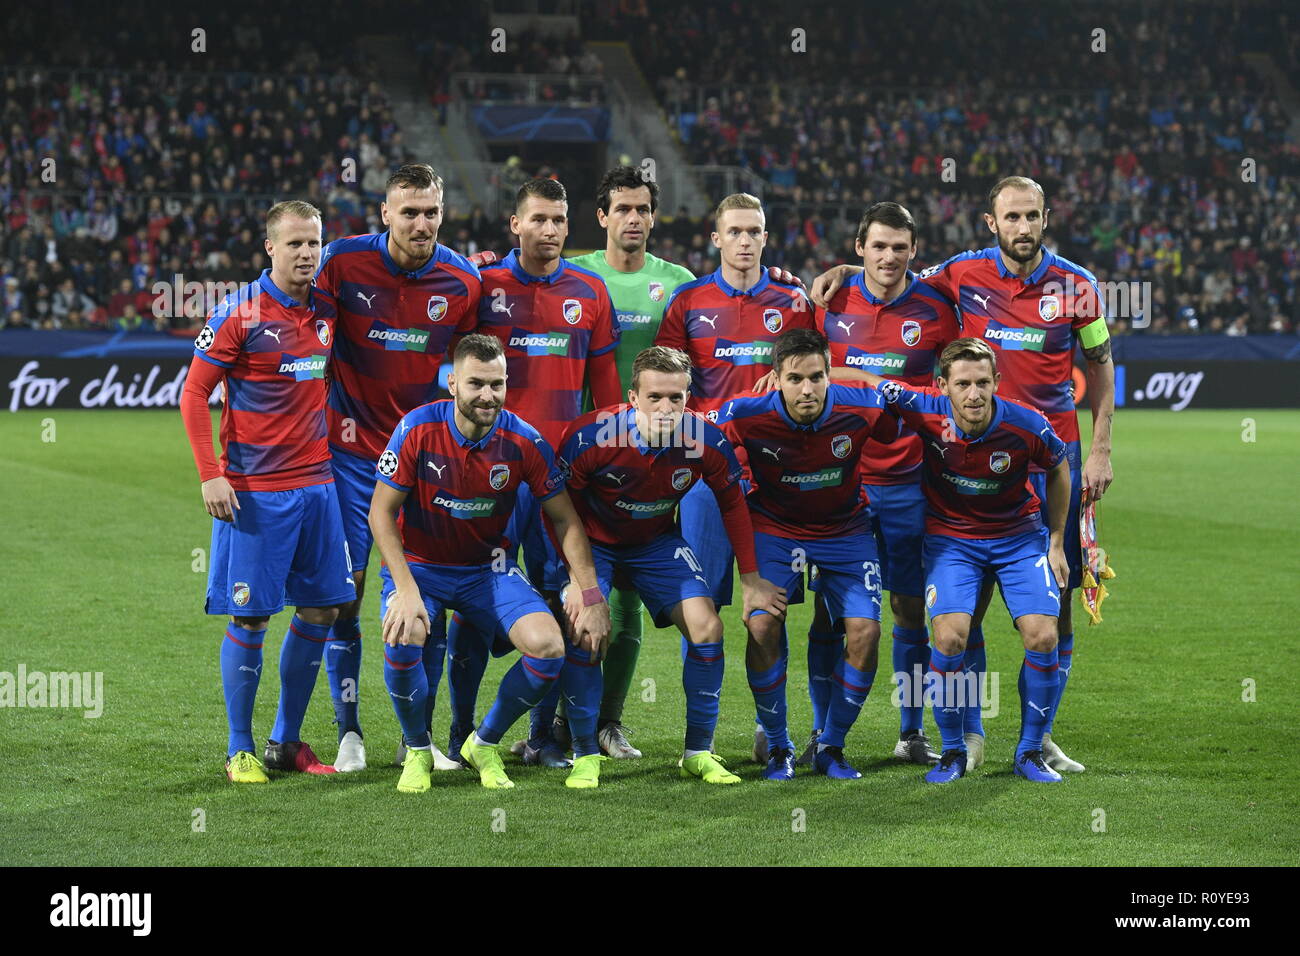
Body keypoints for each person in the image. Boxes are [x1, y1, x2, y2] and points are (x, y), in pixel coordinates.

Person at [811, 176, 1115, 773]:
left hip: (1052, 457)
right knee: (959, 611)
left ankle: (1041, 734)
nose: (1022, 227)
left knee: (1059, 607)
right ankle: (967, 732)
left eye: (1032, 216)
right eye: (1012, 217)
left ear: (1046, 219)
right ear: (990, 222)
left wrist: (1101, 448)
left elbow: (1102, 365)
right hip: (966, 454)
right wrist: (848, 272)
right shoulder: (961, 273)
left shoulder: (1079, 286)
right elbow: (892, 273)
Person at [369, 334, 611, 792]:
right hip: (422, 567)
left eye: (497, 384)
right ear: (452, 383)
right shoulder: (416, 429)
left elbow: (566, 520)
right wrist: (404, 588)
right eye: (476, 384)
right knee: (405, 635)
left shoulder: (523, 440)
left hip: (490, 569)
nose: (488, 395)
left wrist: (589, 589)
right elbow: (380, 512)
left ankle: (483, 741)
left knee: (549, 648)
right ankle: (419, 751)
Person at [180, 200, 355, 784]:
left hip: (318, 486)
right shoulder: (239, 313)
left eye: (315, 244)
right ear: (270, 249)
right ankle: (239, 749)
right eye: (296, 244)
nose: (307, 253)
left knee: (323, 607)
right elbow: (192, 394)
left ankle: (285, 741)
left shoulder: (326, 309)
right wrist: (211, 472)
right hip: (255, 492)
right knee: (251, 617)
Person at [314, 163, 481, 772]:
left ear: (444, 213)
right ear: (384, 213)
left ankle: (425, 738)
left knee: (427, 598)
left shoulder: (463, 281)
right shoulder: (340, 263)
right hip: (353, 459)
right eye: (408, 211)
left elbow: (467, 366)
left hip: (427, 464)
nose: (420, 223)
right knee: (343, 596)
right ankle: (349, 732)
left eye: (431, 212)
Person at [556, 345, 786, 785]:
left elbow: (734, 506)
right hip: (593, 544)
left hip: (656, 543)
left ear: (688, 397)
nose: (666, 408)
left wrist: (751, 580)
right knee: (586, 632)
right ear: (632, 398)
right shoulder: (590, 436)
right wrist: (582, 586)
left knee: (708, 628)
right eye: (656, 397)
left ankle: (698, 751)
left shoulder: (706, 439)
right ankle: (585, 752)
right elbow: (561, 513)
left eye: (676, 397)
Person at [460, 177, 622, 769]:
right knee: (475, 601)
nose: (550, 230)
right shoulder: (484, 285)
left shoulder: (590, 291)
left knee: (565, 602)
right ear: (515, 224)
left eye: (558, 220)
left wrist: (603, 465)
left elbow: (605, 398)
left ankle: (542, 736)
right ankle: (459, 733)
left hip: (559, 475)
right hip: (490, 476)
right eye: (539, 220)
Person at [863, 339, 1071, 783]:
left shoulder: (1026, 424)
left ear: (997, 382)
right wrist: (799, 374)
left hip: (1018, 538)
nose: (974, 394)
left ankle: (1029, 751)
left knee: (1043, 635)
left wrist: (1056, 541)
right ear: (943, 386)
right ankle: (953, 751)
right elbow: (864, 380)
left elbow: (1058, 465)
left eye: (982, 383)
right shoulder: (923, 408)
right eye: (963, 384)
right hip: (951, 539)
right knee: (951, 638)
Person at [654, 195, 815, 767]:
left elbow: (810, 380)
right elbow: (667, 391)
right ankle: (700, 741)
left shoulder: (792, 302)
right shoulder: (688, 302)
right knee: (700, 608)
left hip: (775, 480)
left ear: (765, 239)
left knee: (768, 610)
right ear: (715, 238)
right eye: (734, 232)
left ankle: (771, 730)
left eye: (754, 232)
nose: (745, 241)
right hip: (704, 481)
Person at [799, 201, 959, 767]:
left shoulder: (939, 307)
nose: (888, 257)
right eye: (878, 246)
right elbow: (802, 371)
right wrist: (867, 379)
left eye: (900, 247)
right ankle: (822, 731)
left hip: (914, 482)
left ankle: (911, 732)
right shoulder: (829, 301)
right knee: (828, 610)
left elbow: (954, 385)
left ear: (914, 251)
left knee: (910, 608)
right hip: (843, 481)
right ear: (859, 249)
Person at [719, 329, 902, 780]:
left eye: (817, 377)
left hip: (845, 529)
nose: (807, 389)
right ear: (775, 378)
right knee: (761, 624)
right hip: (775, 528)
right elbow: (695, 434)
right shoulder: (744, 413)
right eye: (795, 378)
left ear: (828, 373)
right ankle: (779, 745)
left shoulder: (862, 406)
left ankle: (831, 745)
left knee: (865, 632)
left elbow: (900, 423)